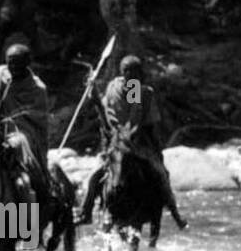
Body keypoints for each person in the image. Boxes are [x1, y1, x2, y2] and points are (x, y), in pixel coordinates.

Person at [78, 55, 186, 229]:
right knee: (94, 174)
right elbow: (105, 113)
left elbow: (135, 116)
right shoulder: (113, 87)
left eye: (135, 72)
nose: (131, 75)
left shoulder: (134, 87)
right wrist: (94, 95)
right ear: (121, 71)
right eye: (127, 71)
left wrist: (132, 134)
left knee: (161, 173)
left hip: (137, 141)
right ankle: (86, 211)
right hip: (114, 141)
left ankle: (174, 213)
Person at [0, 43, 50, 203]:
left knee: (18, 144)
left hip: (24, 132)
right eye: (10, 62)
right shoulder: (0, 77)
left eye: (17, 62)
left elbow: (38, 118)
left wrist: (13, 124)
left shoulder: (37, 88)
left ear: (27, 63)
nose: (12, 66)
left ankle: (33, 200)